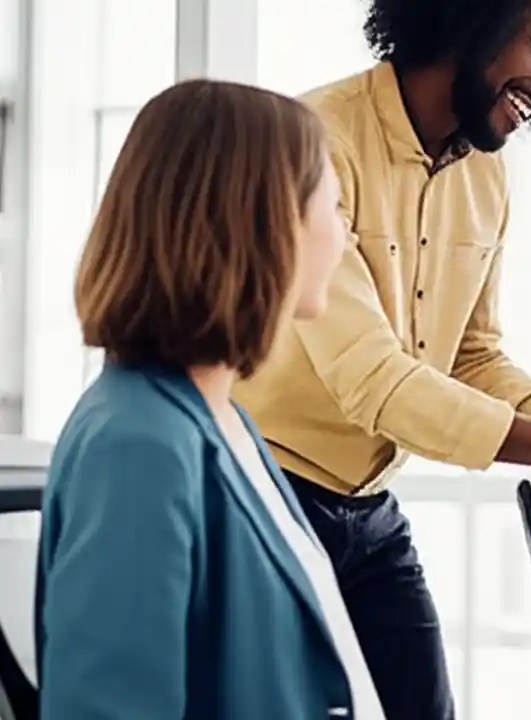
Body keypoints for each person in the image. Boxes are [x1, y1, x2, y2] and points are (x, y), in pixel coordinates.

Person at [231, 1, 531, 718]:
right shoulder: (312, 142)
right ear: (467, 18)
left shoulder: (486, 177)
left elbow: (473, 356)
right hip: (266, 495)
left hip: (369, 508)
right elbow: (374, 379)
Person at [36, 80, 379, 718]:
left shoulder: (225, 422)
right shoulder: (136, 444)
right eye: (335, 209)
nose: (343, 238)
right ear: (267, 222)